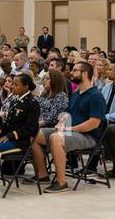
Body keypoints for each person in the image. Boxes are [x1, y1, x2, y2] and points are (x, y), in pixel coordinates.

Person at [31, 61, 106, 193]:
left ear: (85, 73)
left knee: (56, 138)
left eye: (75, 70)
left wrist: (69, 129)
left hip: (89, 136)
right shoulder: (76, 94)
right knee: (34, 134)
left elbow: (94, 123)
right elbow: (67, 112)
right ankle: (43, 175)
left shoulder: (96, 96)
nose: (71, 73)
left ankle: (61, 182)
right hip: (73, 132)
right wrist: (62, 122)